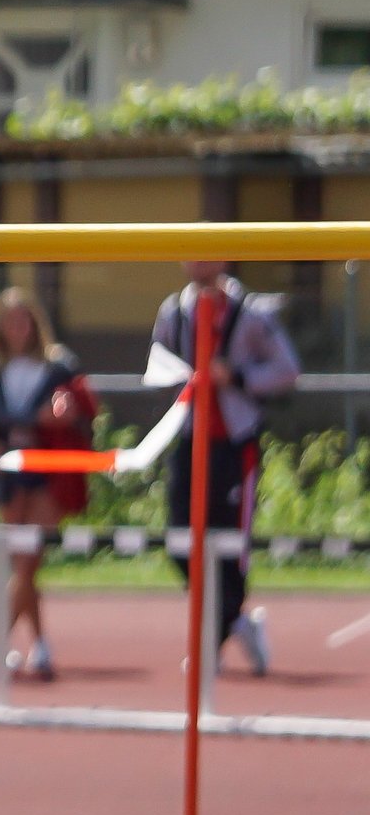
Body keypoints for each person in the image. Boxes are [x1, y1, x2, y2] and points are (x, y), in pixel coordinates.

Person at [152, 261, 299, 675]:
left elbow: (287, 369)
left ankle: (211, 639)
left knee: (231, 543)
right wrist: (181, 378)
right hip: (187, 437)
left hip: (234, 442)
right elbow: (157, 361)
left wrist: (234, 375)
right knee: (180, 541)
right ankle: (234, 621)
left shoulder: (251, 313)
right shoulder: (173, 312)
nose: (197, 262)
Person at [0, 287, 98, 681]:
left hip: (47, 469)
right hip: (10, 472)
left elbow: (78, 415)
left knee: (29, 559)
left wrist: (55, 417)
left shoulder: (58, 366)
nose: (17, 328)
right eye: (9, 321)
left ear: (34, 324)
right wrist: (16, 430)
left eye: (23, 320)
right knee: (19, 561)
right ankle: (40, 643)